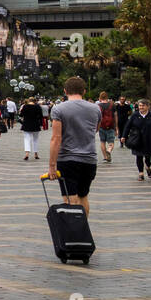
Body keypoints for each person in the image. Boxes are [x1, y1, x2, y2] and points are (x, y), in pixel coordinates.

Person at [46, 76, 100, 215]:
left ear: (65, 91)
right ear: (84, 91)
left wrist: (52, 165)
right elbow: (96, 130)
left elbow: (56, 138)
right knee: (83, 197)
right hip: (89, 159)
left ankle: (73, 232)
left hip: (68, 159)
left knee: (70, 199)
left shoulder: (58, 109)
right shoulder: (95, 109)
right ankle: (83, 230)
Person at [124, 98, 151, 181]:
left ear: (148, 106)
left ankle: (147, 166)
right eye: (140, 105)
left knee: (149, 156)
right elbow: (127, 126)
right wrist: (123, 136)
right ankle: (141, 173)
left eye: (143, 105)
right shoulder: (134, 116)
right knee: (138, 156)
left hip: (150, 139)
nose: (141, 107)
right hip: (137, 139)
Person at [20, 95, 44, 160]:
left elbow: (21, 115)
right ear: (34, 101)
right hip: (36, 124)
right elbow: (41, 116)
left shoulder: (25, 106)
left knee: (27, 139)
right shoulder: (37, 106)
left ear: (28, 101)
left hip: (26, 124)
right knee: (35, 140)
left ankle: (27, 153)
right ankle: (36, 154)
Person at [96, 92, 117, 163]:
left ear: (100, 98)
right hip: (111, 126)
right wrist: (116, 126)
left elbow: (97, 117)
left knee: (102, 142)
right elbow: (115, 115)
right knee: (111, 141)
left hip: (102, 126)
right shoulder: (112, 105)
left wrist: (97, 127)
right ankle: (109, 150)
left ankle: (105, 157)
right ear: (107, 97)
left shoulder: (98, 106)